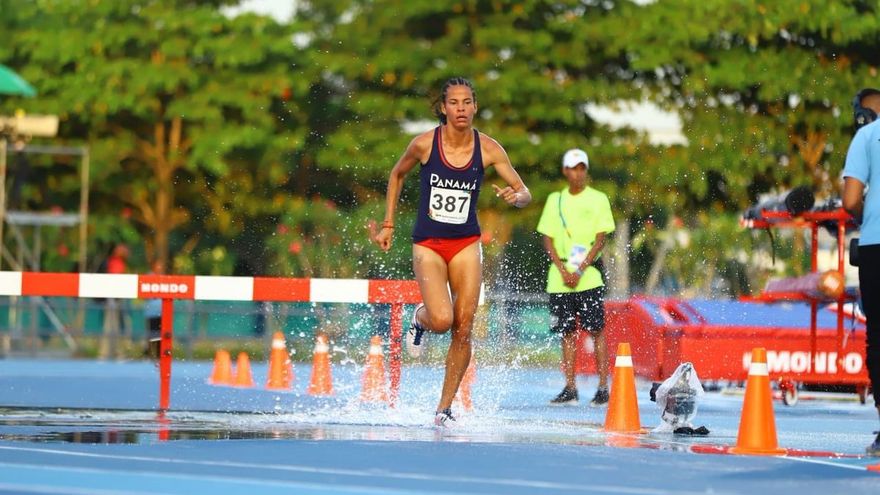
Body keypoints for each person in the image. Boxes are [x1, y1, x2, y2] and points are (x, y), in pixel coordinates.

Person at [372, 77, 531, 426]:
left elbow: (524, 193)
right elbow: (396, 175)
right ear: (443, 108)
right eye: (454, 103)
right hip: (428, 243)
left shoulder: (488, 148)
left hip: (465, 243)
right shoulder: (424, 144)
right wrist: (388, 223)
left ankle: (443, 408)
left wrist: (516, 197)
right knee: (442, 320)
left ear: (475, 107)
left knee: (464, 325)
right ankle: (420, 318)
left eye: (467, 102)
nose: (461, 109)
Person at [536, 148, 615, 407]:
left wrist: (580, 270)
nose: (578, 173)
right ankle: (570, 387)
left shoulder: (598, 198)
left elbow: (601, 238)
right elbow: (547, 238)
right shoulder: (554, 200)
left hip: (588, 276)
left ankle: (603, 386)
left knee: (596, 330)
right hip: (560, 279)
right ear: (565, 171)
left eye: (582, 168)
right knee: (566, 332)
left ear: (586, 170)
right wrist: (562, 269)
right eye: (573, 168)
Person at [842, 87, 880, 455]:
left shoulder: (867, 136)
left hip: (876, 243)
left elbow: (851, 199)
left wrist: (867, 213)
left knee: (878, 336)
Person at [143, 259, 164, 361]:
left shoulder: (163, 278)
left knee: (161, 334)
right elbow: (144, 294)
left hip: (162, 312)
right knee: (152, 334)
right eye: (157, 266)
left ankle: (160, 354)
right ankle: (150, 353)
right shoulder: (148, 277)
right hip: (152, 312)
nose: (159, 268)